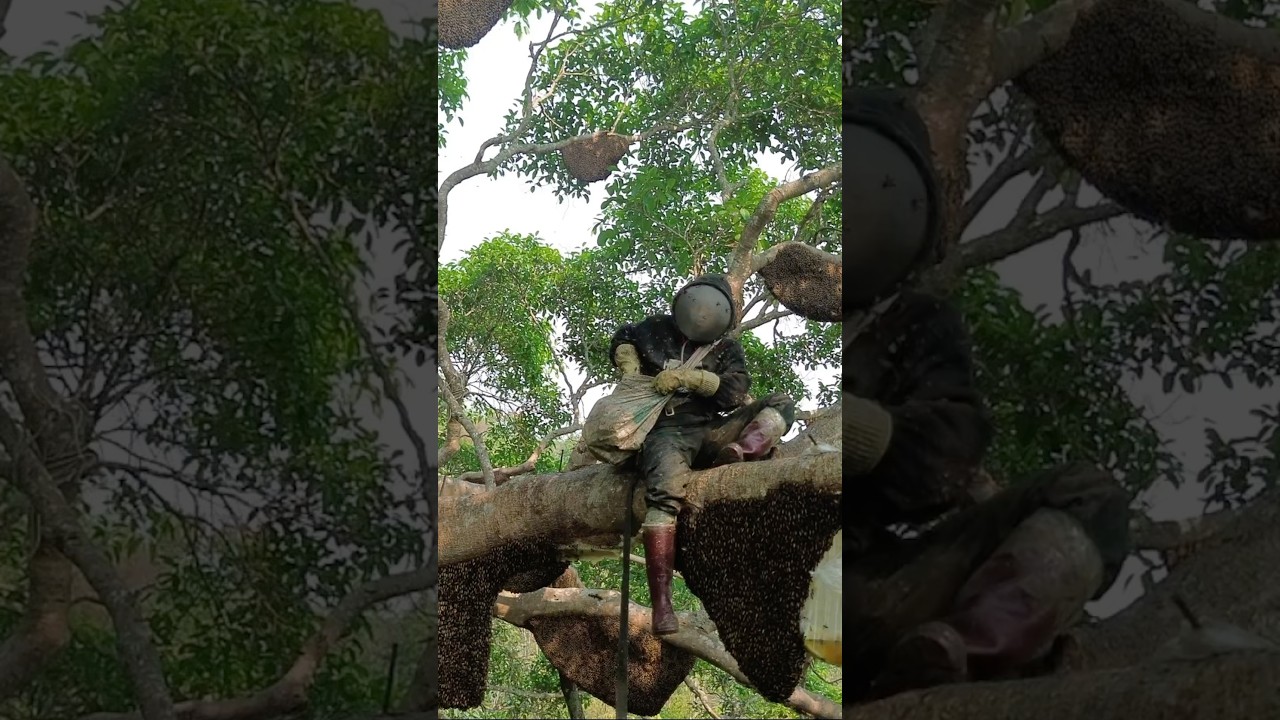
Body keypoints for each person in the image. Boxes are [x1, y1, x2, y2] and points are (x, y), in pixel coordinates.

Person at [842, 87, 1133, 699]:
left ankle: (958, 653)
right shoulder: (766, 311)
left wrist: (866, 432)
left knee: (1087, 496)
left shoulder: (913, 323)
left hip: (873, 586)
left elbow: (951, 451)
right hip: (788, 576)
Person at [608, 272, 798, 635]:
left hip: (709, 430)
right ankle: (662, 605)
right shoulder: (654, 329)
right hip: (664, 428)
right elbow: (624, 335)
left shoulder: (726, 349)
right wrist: (629, 364)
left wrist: (693, 379)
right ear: (684, 300)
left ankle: (742, 450)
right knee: (664, 499)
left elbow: (735, 390)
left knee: (781, 404)